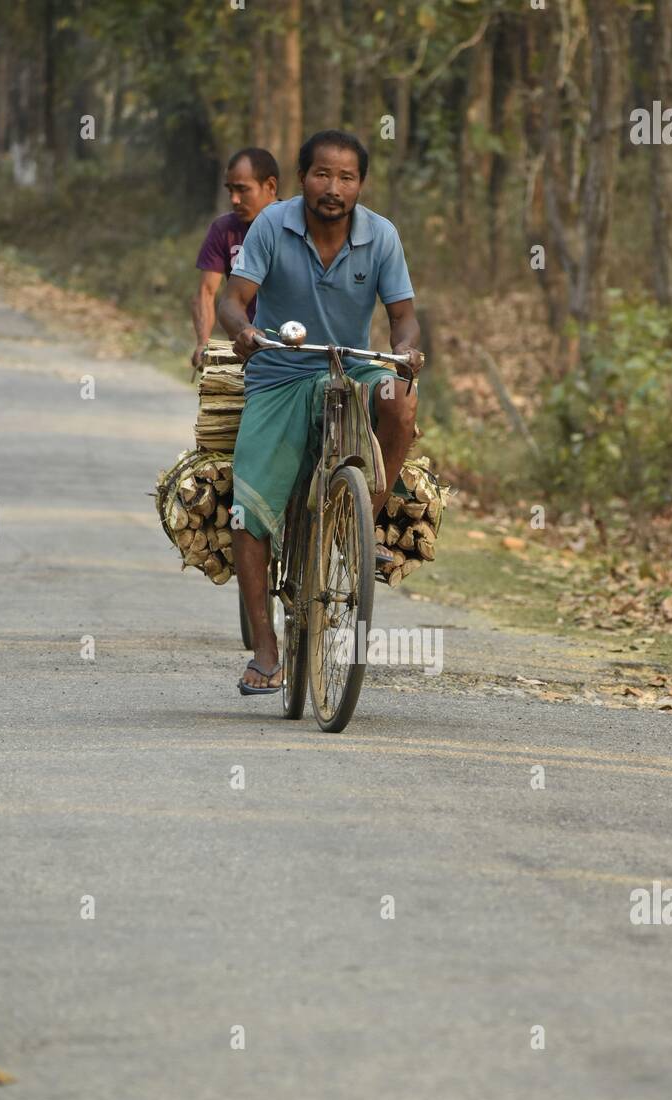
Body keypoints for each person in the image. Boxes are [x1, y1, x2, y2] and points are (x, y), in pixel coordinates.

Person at [218, 128, 424, 693]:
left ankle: (364, 520)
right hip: (281, 372)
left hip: (349, 367)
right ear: (301, 178)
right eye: (322, 174)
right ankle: (266, 649)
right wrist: (243, 333)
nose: (333, 187)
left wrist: (404, 351)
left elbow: (403, 316)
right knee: (247, 510)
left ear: (361, 184)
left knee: (400, 400)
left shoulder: (381, 235)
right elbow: (231, 300)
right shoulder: (270, 225)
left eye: (347, 177)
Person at [190, 147, 279, 369]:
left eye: (242, 190)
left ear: (270, 186)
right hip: (244, 345)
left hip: (290, 344)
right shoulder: (224, 230)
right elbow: (206, 292)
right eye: (230, 190)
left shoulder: (295, 226)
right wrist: (203, 343)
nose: (235, 199)